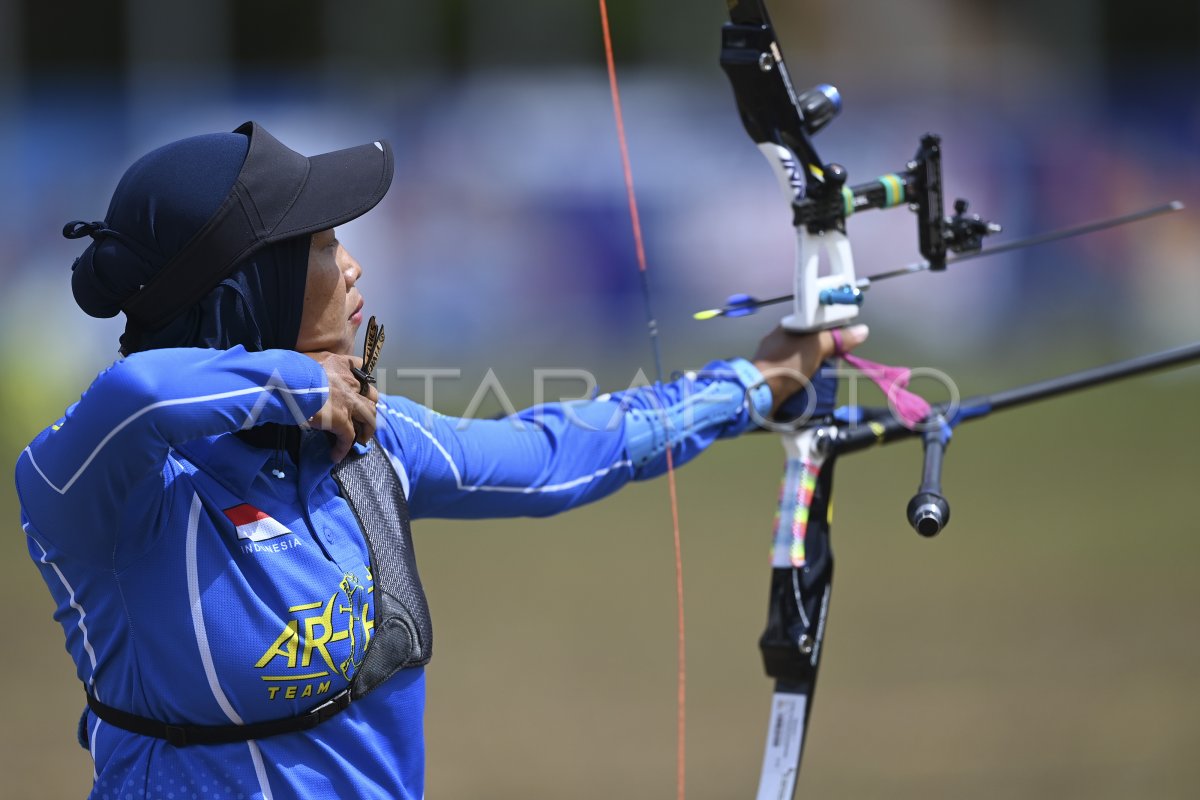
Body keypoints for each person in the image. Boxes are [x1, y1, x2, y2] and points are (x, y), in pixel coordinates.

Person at [14, 121, 868, 800]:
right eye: (318, 248)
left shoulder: (359, 446)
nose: (352, 268)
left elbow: (556, 451)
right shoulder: (113, 492)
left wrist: (757, 380)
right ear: (244, 287)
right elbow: (141, 395)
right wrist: (294, 380)